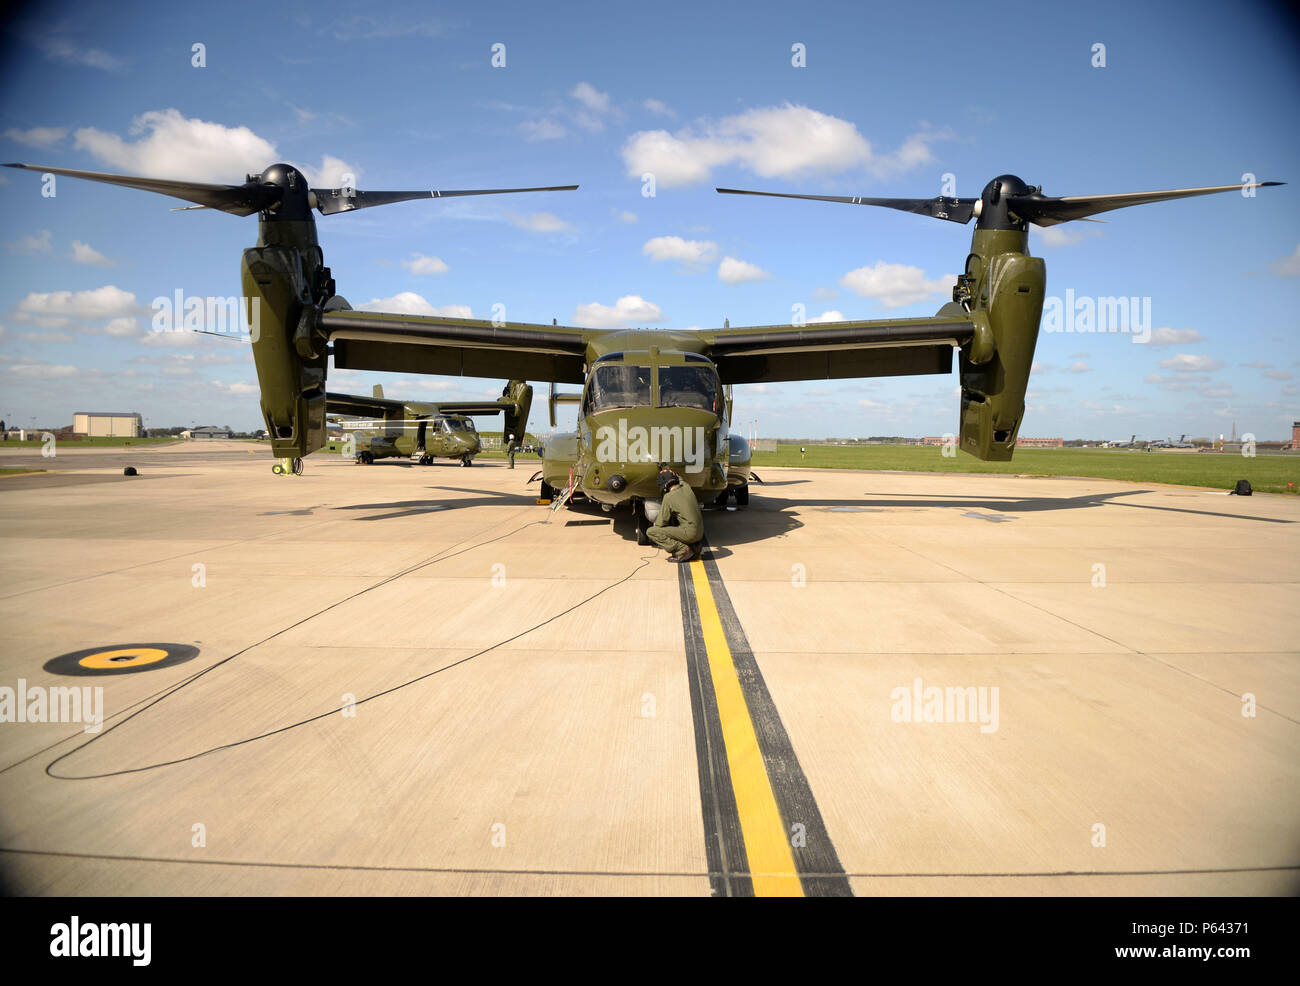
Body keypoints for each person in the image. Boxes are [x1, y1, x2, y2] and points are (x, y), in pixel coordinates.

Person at [647, 467, 704, 563]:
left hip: (690, 533)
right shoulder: (686, 486)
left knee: (651, 531)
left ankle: (682, 550)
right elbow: (679, 477)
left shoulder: (668, 497)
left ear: (664, 485)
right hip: (700, 533)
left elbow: (660, 524)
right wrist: (666, 467)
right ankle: (695, 548)